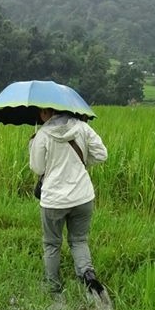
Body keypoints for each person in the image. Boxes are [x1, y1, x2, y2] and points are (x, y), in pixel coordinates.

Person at [29, 107, 108, 297]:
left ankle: (54, 288)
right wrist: (78, 163)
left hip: (54, 200)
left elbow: (37, 167)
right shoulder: (82, 127)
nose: (40, 115)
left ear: (47, 112)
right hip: (83, 196)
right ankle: (88, 276)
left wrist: (32, 145)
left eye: (41, 111)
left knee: (52, 244)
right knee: (79, 240)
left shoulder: (43, 134)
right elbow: (101, 155)